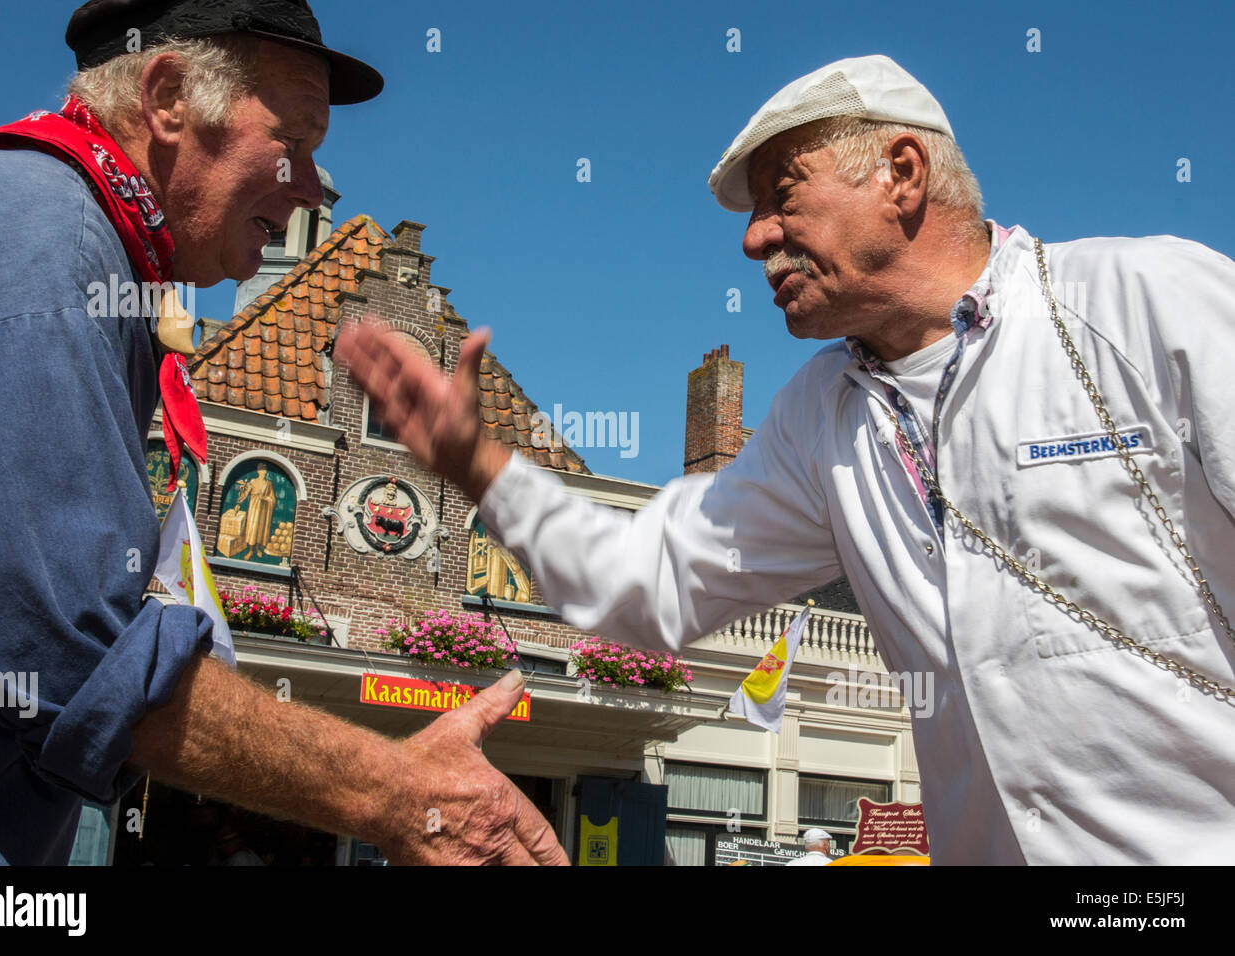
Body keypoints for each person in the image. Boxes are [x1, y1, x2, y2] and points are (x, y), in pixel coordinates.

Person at [335, 54, 1235, 865]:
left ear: (902, 174)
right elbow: (646, 582)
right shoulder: (817, 414)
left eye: (782, 195)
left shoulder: (1146, 304)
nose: (753, 238)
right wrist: (478, 464)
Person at [0, 0, 566, 866]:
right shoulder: (45, 241)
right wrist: (395, 790)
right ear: (167, 98)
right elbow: (74, 652)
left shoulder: (74, 249)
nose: (310, 188)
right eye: (291, 144)